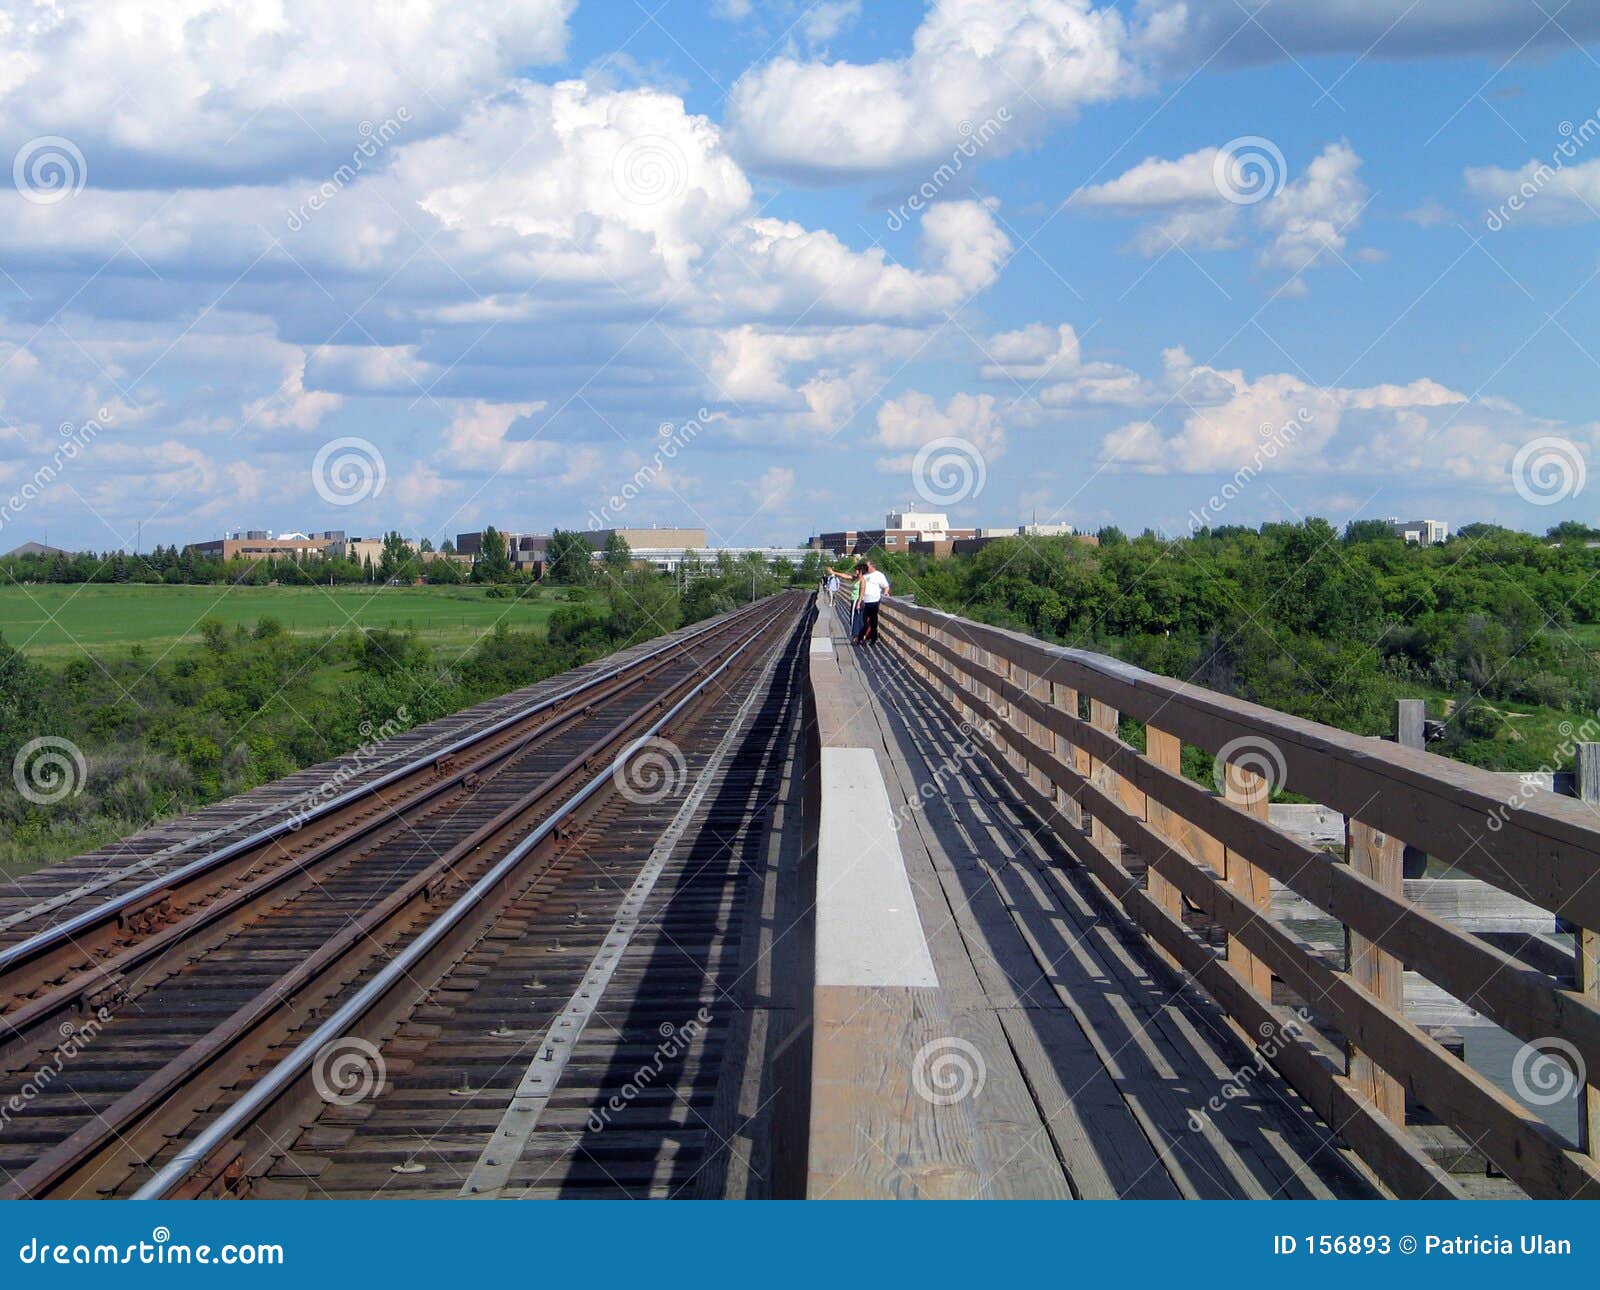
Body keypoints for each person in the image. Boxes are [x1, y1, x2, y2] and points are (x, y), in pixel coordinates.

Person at [857, 559, 890, 643]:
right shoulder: (864, 575)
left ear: (872, 566)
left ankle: (873, 638)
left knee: (873, 620)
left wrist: (886, 592)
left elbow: (886, 586)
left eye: (867, 566)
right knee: (863, 620)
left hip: (874, 601)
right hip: (864, 600)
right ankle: (862, 637)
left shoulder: (879, 575)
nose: (866, 568)